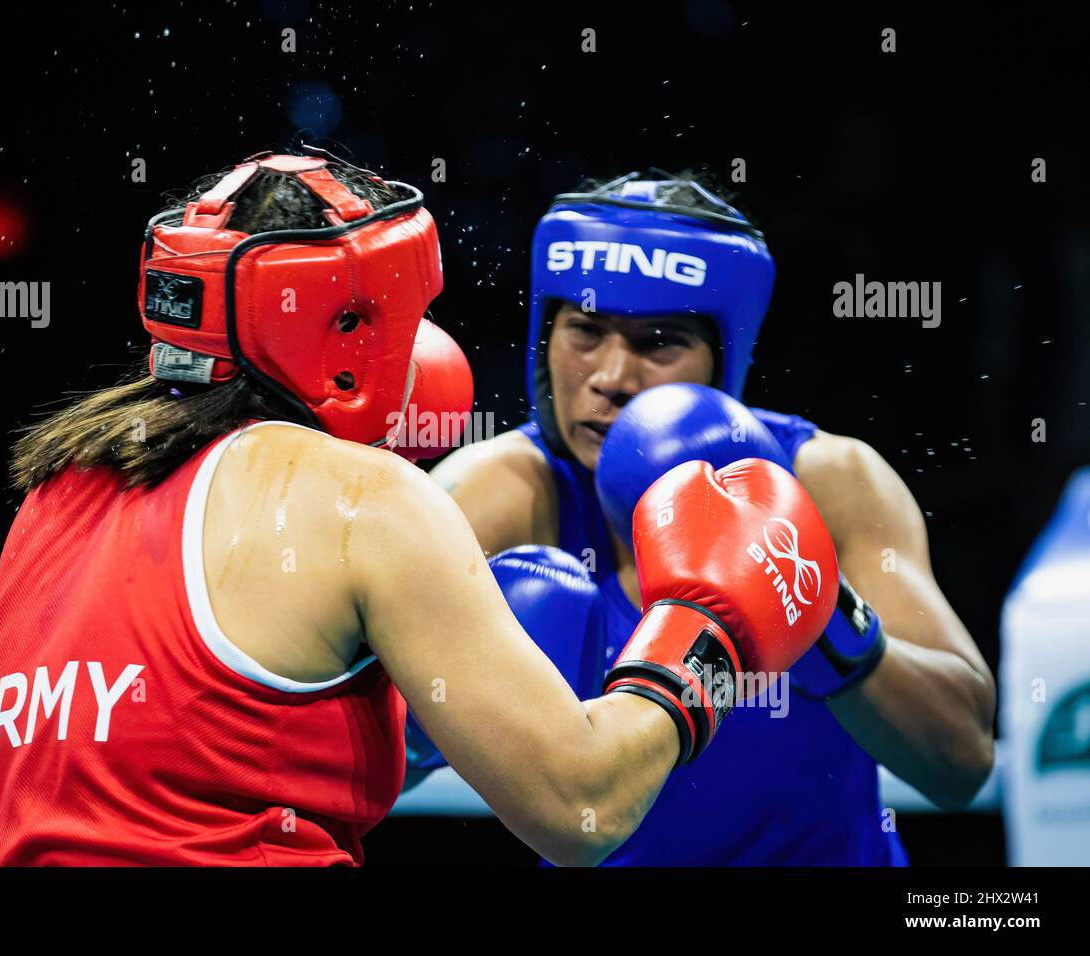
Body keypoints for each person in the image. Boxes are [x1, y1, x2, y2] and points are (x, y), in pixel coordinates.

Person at [0, 150, 836, 866]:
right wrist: (704, 631)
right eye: (402, 316)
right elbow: (584, 805)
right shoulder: (364, 499)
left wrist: (410, 721)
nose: (421, 350)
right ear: (348, 328)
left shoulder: (50, 495)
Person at [424, 171, 997, 864]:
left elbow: (962, 763)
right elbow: (342, 756)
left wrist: (815, 609)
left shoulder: (830, 482)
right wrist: (426, 725)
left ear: (725, 359)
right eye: (585, 330)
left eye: (658, 341)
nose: (611, 376)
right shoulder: (501, 500)